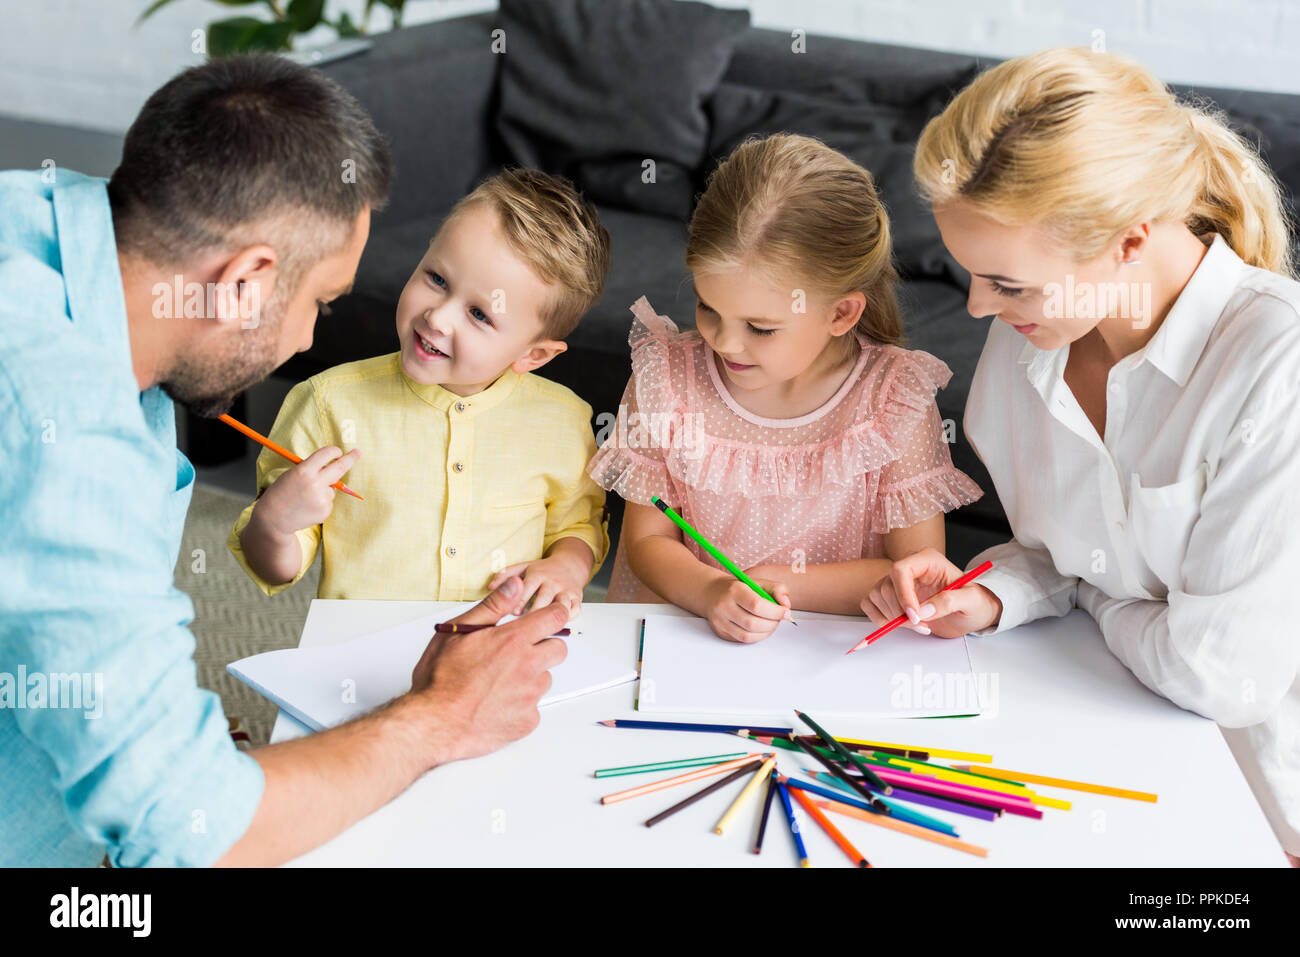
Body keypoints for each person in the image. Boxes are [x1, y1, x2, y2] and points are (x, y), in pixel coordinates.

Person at [0, 54, 568, 867]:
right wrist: (441, 714)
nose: (307, 338)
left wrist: (159, 732)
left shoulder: (35, 218)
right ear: (246, 282)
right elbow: (193, 829)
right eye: (320, 304)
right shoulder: (68, 438)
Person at [862, 47, 1300, 865]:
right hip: (1099, 765)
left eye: (1008, 282)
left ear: (1129, 241)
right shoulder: (1024, 353)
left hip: (1262, 813)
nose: (979, 307)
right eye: (972, 275)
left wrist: (1094, 602)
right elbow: (1066, 552)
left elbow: (1220, 676)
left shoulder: (1279, 365)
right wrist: (993, 591)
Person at [588, 133, 983, 642]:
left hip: (830, 653)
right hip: (683, 642)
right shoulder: (665, 378)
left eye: (761, 327)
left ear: (841, 313)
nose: (725, 342)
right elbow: (647, 541)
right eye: (708, 307)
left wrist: (762, 583)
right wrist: (711, 592)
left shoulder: (894, 399)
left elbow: (913, 572)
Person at [228, 168, 611, 618]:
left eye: (479, 315)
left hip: (499, 656)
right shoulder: (328, 403)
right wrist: (272, 526)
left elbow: (578, 523)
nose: (438, 317)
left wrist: (569, 564)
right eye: (437, 279)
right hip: (360, 658)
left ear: (535, 355)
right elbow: (274, 566)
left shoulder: (563, 421)